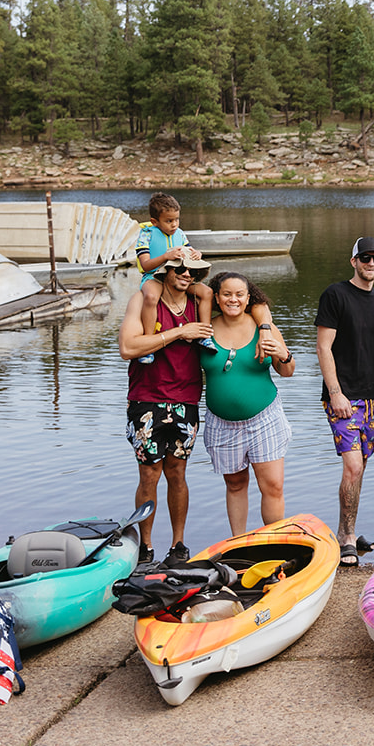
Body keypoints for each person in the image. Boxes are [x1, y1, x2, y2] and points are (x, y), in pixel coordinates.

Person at [117, 253, 215, 566]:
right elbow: (128, 348)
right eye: (180, 269)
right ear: (166, 270)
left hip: (186, 400)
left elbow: (238, 298)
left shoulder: (199, 303)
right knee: (149, 474)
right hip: (146, 399)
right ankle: (145, 548)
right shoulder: (143, 300)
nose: (187, 274)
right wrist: (178, 332)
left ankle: (178, 545)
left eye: (193, 270)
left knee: (178, 473)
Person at [316, 237, 374, 566]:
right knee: (353, 466)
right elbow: (323, 347)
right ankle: (347, 538)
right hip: (342, 396)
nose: (371, 264)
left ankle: (346, 529)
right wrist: (336, 393)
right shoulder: (335, 295)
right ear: (354, 261)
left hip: (371, 396)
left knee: (360, 466)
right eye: (365, 258)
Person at [200, 271, 296, 537]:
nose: (233, 299)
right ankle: (239, 543)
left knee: (273, 486)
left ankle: (276, 543)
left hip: (264, 419)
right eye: (227, 294)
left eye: (240, 294)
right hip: (221, 423)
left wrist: (283, 354)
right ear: (216, 298)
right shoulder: (204, 328)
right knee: (234, 485)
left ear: (248, 297)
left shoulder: (262, 327)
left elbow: (287, 372)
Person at [133, 193, 214, 366]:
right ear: (155, 221)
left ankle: (205, 336)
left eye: (177, 219)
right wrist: (165, 256)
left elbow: (189, 252)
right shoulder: (146, 234)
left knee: (206, 292)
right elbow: (145, 264)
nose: (174, 224)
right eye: (169, 221)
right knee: (151, 297)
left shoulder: (180, 234)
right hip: (154, 277)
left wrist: (196, 254)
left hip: (178, 276)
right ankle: (149, 343)